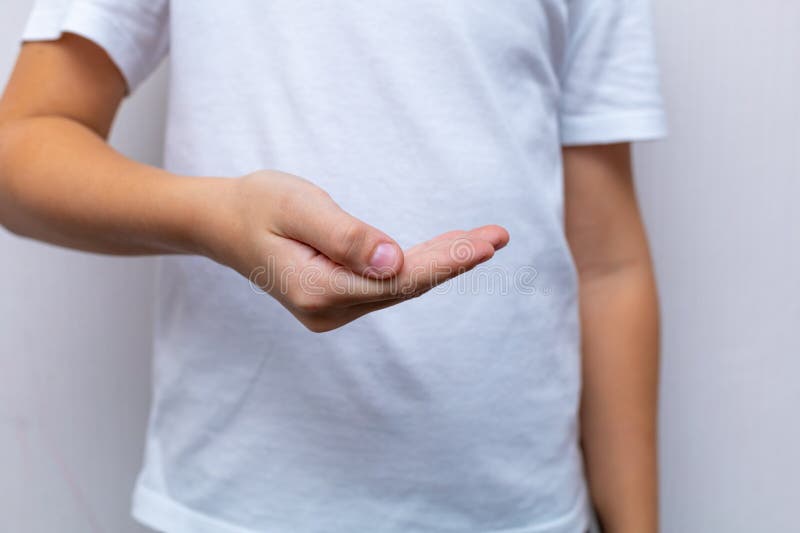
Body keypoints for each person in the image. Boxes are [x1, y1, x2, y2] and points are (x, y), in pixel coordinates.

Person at [0, 1, 666, 532]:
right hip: (235, 504)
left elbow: (608, 264)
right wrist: (220, 217)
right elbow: (20, 148)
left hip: (524, 509)